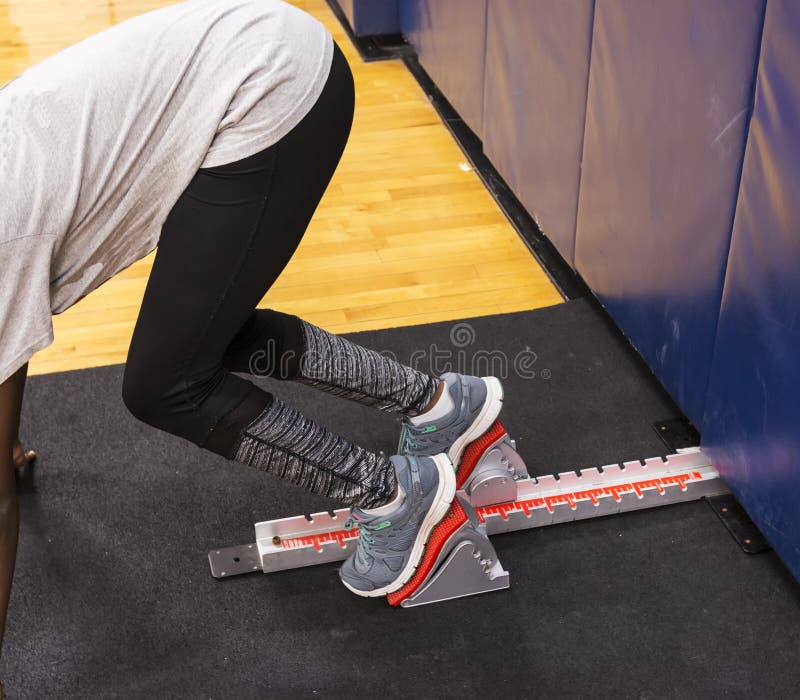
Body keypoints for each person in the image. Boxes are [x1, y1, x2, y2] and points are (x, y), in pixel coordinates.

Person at [0, 0, 504, 677]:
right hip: (259, 59)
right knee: (199, 337)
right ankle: (441, 405)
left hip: (271, 93)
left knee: (166, 386)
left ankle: (396, 495)